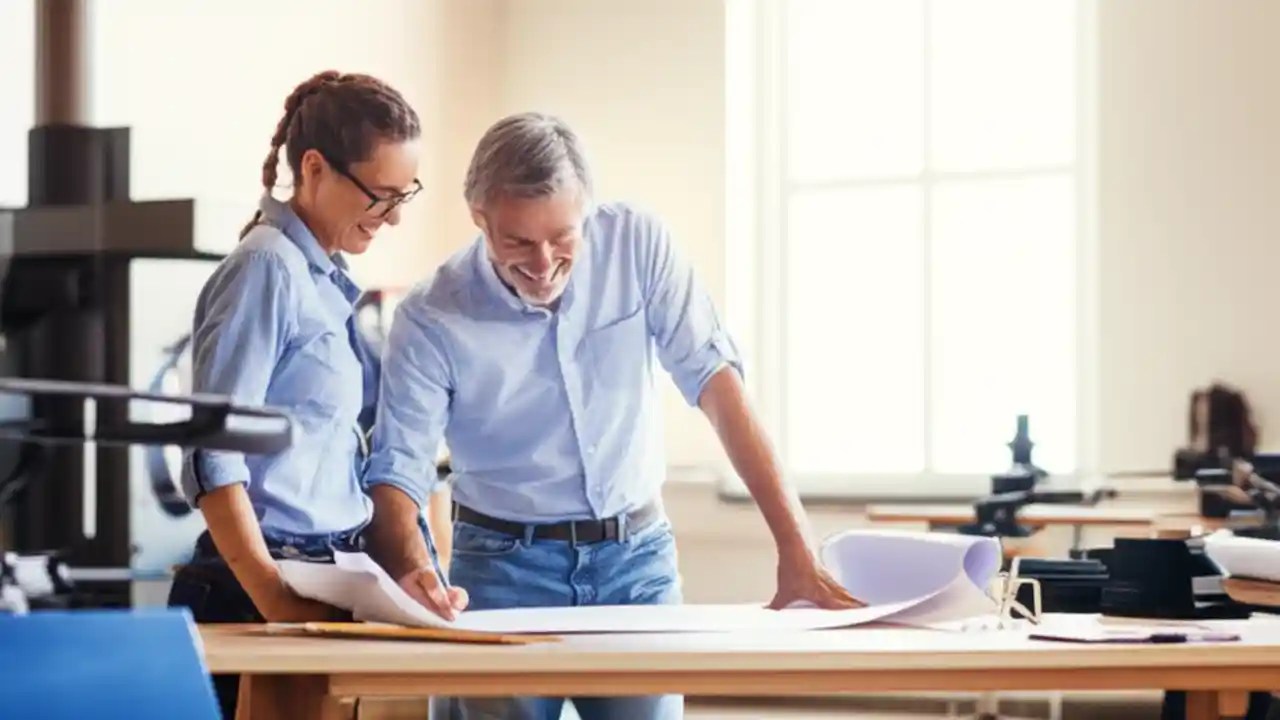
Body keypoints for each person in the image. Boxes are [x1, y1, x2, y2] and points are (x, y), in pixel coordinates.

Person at [363, 112, 861, 720]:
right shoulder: (432, 314)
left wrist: (797, 550)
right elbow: (397, 470)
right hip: (501, 571)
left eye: (562, 238)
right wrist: (416, 570)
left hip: (637, 565)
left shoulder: (637, 245)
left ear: (587, 212)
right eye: (517, 241)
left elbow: (717, 384)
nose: (543, 263)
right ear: (480, 218)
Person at [166, 69, 425, 718]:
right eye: (379, 196)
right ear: (314, 168)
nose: (391, 219)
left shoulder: (325, 279)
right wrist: (274, 597)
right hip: (260, 582)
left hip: (320, 573)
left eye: (404, 196)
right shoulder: (266, 267)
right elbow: (210, 453)